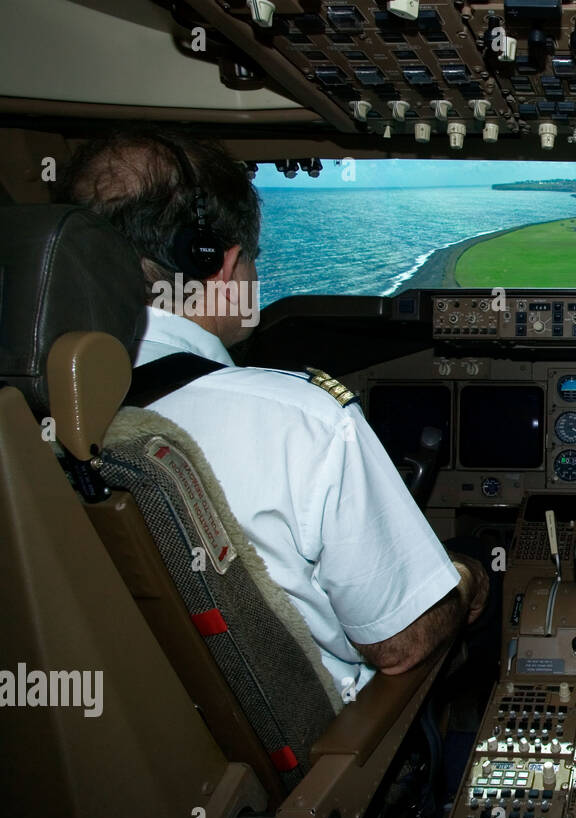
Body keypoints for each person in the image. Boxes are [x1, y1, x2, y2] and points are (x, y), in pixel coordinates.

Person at [57, 128, 488, 700]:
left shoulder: (34, 411)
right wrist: (467, 576)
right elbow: (404, 644)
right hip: (325, 740)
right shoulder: (303, 421)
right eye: (253, 259)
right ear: (223, 263)